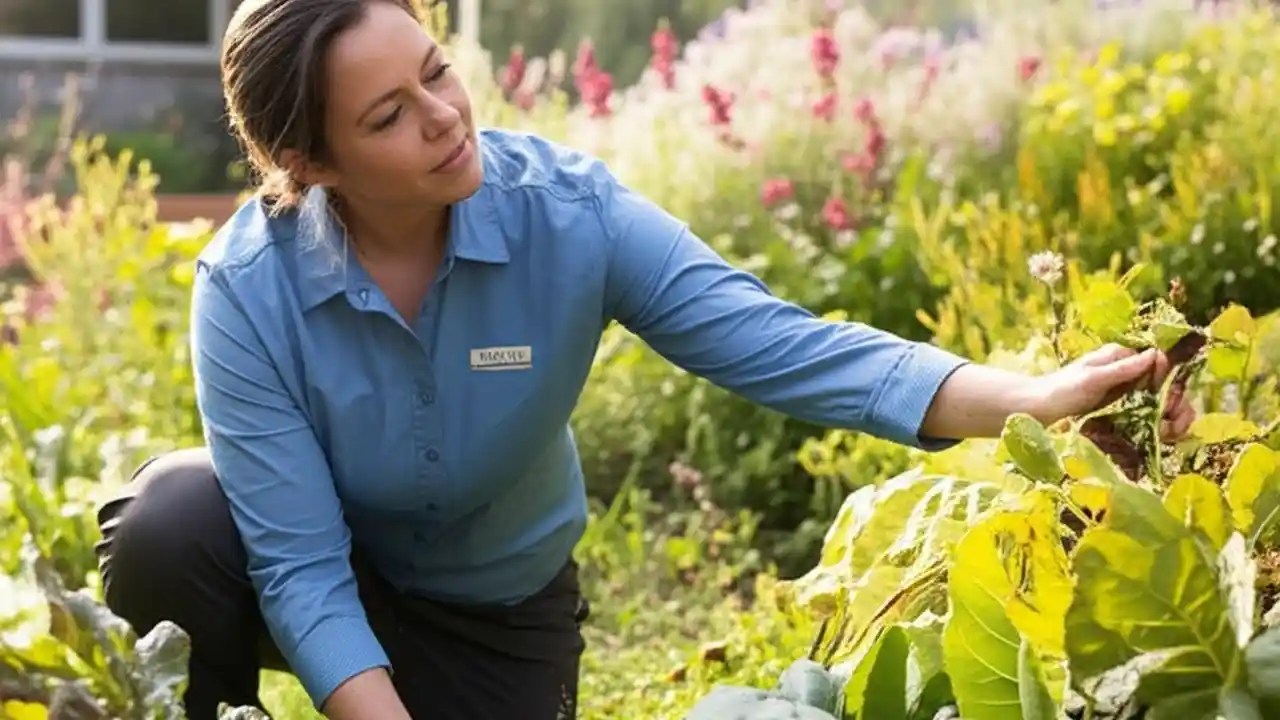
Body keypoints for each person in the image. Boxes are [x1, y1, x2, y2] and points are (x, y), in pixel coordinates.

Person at [92, 1, 1197, 719]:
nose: (443, 118)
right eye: (389, 114)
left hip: (496, 614)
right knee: (170, 523)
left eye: (438, 72)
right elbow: (298, 566)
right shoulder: (249, 287)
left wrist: (1037, 400)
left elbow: (783, 346)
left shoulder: (565, 217)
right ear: (309, 160)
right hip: (334, 581)